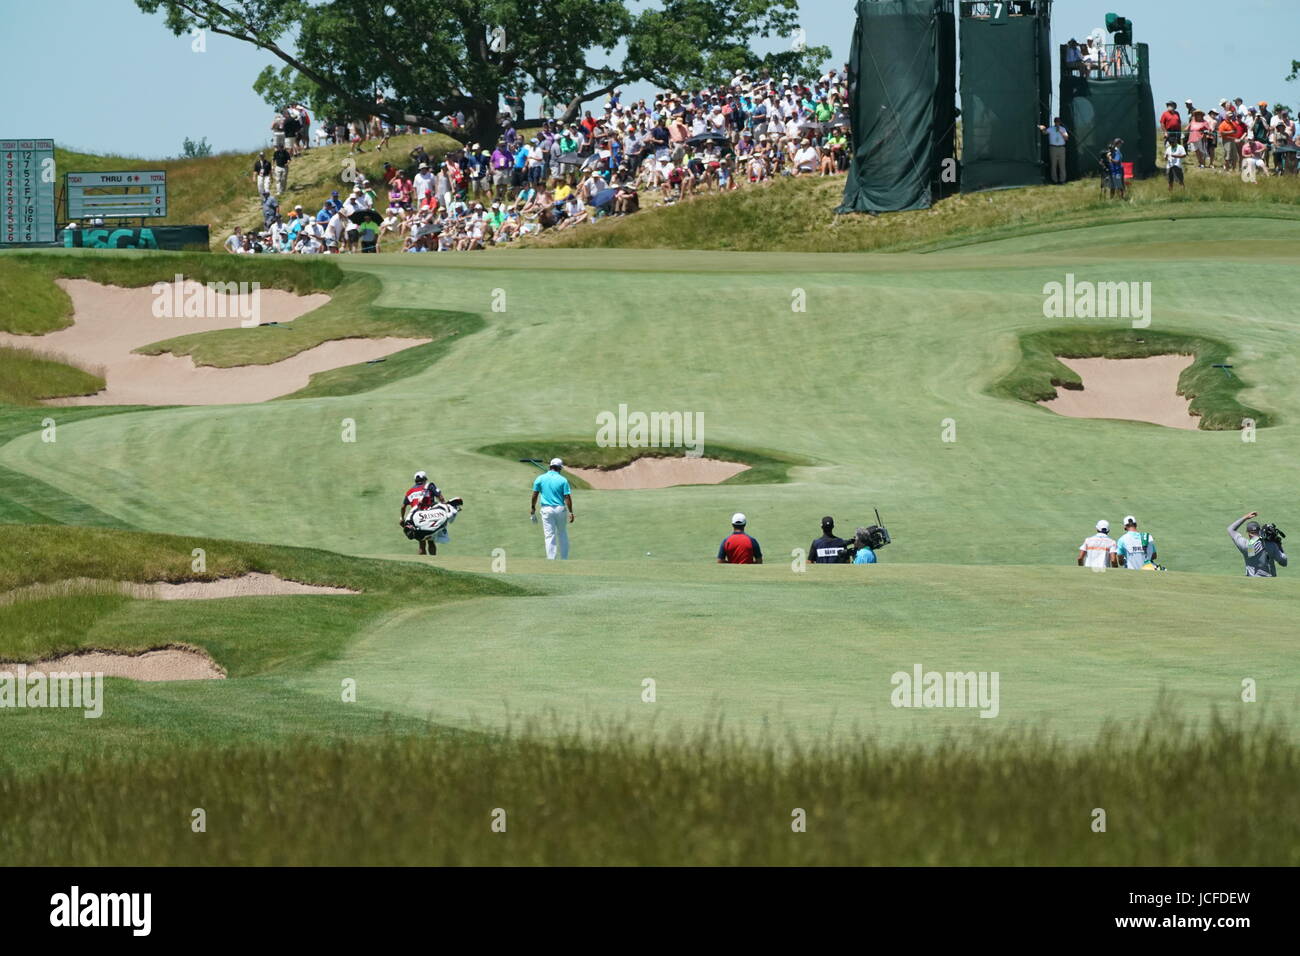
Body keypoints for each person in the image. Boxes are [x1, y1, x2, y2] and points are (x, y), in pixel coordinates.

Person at [530, 458, 574, 560]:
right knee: (562, 533)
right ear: (559, 468)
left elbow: (535, 495)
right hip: (560, 509)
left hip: (546, 510)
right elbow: (567, 497)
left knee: (549, 535)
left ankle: (551, 559)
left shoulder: (540, 478)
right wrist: (571, 512)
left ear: (550, 466)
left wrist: (533, 508)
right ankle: (564, 558)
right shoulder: (563, 480)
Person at [1227, 512, 1288, 577]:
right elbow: (1284, 563)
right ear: (1259, 531)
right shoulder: (1271, 545)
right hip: (1270, 582)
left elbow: (1230, 529)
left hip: (1252, 581)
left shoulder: (1246, 545)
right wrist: (1279, 545)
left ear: (1249, 533)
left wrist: (1246, 517)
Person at [400, 470, 445, 555]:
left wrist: (402, 519)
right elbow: (441, 498)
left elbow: (403, 507)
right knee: (431, 542)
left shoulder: (410, 492)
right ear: (425, 479)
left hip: (417, 520)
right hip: (429, 517)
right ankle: (433, 562)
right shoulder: (429, 486)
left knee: (421, 544)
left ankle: (422, 563)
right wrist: (445, 508)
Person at [1038, 118, 1069, 184]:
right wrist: (1043, 128)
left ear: (1060, 122)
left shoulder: (1063, 129)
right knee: (1053, 165)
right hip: (1053, 148)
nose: (1057, 123)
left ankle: (1062, 180)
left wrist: (1060, 131)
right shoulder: (1051, 129)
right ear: (1054, 122)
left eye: (1058, 122)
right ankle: (1054, 180)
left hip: (1061, 148)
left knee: (1062, 165)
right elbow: (1045, 133)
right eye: (1056, 122)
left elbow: (1066, 138)